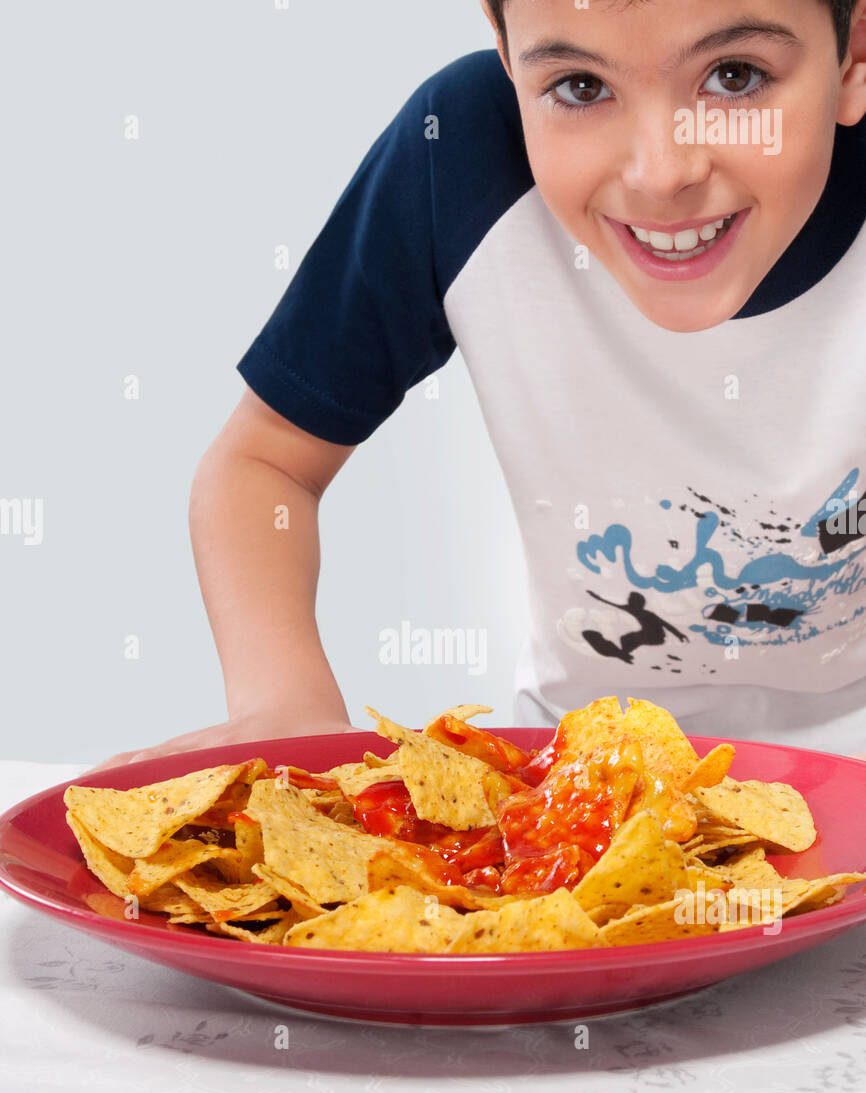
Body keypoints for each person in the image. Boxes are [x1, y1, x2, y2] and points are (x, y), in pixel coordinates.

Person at [97, 0, 866, 769]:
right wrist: (284, 704)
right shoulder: (456, 151)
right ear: (506, 56)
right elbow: (264, 462)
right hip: (573, 796)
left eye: (735, 77)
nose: (660, 174)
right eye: (580, 88)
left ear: (853, 53)